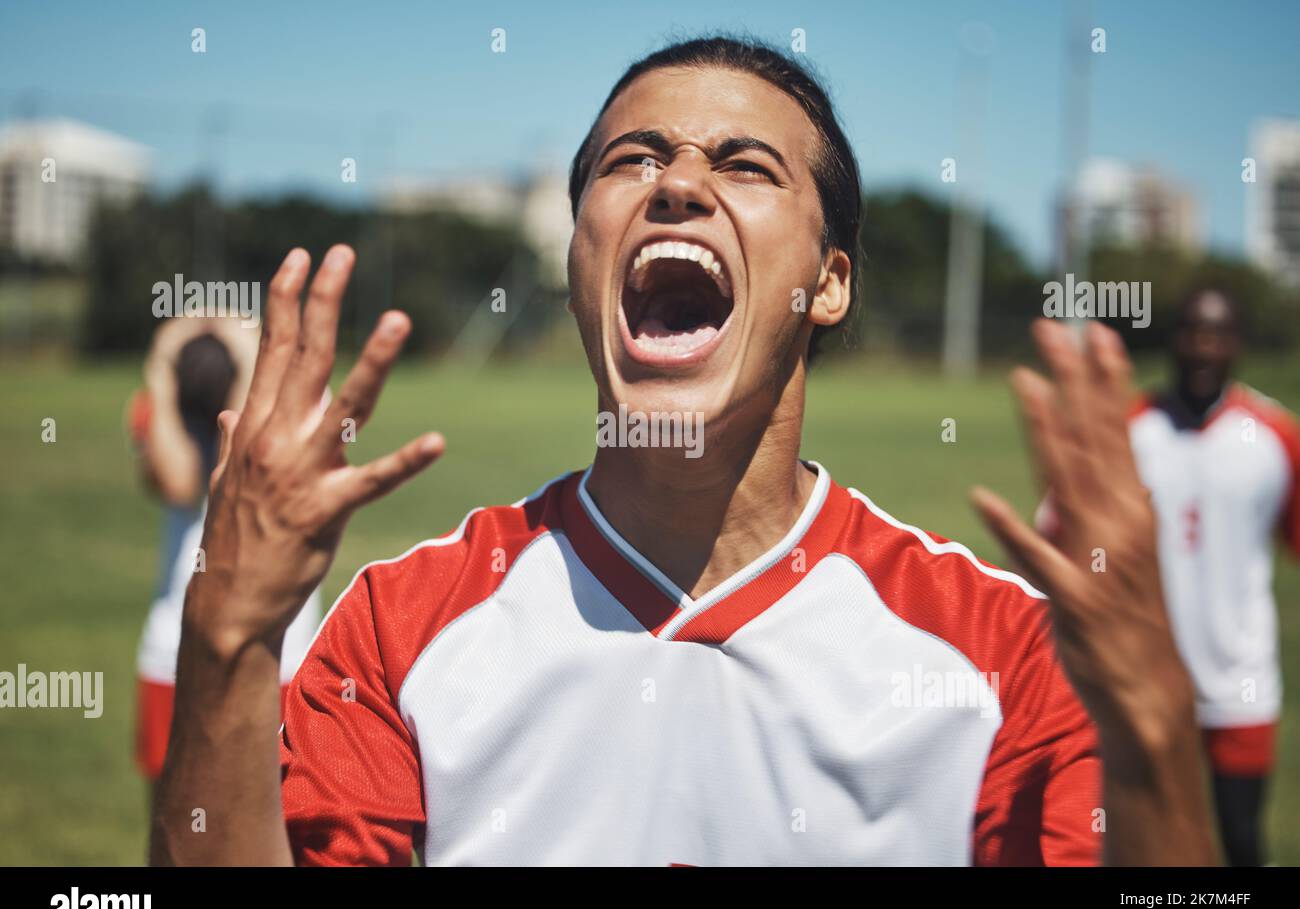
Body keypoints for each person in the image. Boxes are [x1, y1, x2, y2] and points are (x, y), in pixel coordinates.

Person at [152, 36, 1216, 866]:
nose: (677, 183)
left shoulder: (997, 651)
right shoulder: (397, 628)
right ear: (578, 260)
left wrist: (1160, 729)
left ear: (829, 283)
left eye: (745, 165)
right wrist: (228, 645)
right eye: (633, 160)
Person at [1127, 288, 1300, 864]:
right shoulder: (1126, 431)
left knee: (1241, 840)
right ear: (1173, 339)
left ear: (1236, 344)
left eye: (1217, 333)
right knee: (1145, 849)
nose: (1203, 347)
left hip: (1239, 682)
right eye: (1192, 331)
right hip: (1146, 685)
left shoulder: (1276, 436)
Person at [131, 316, 322, 800]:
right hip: (176, 649)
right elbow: (177, 482)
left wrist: (251, 370)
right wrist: (161, 371)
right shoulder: (164, 402)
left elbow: (243, 470)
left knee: (269, 824)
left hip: (274, 654)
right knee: (177, 824)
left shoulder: (300, 398)